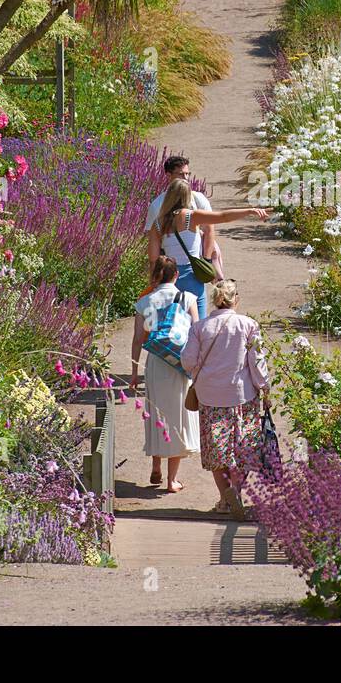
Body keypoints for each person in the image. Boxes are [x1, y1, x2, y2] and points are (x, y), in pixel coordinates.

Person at [180, 280, 271, 519]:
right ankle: (236, 494)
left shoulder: (200, 327)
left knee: (218, 451)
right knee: (244, 448)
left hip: (210, 396)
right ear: (236, 299)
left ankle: (224, 497)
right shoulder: (249, 325)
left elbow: (188, 361)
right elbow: (257, 362)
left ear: (214, 300)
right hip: (243, 395)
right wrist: (265, 388)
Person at [130, 255, 201, 493]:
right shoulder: (188, 298)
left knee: (156, 414)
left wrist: (133, 371)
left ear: (155, 276)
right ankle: (172, 480)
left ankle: (156, 465)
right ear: (176, 275)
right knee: (177, 417)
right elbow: (196, 334)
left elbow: (138, 339)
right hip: (180, 363)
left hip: (156, 363)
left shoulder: (144, 302)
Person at [148, 180, 268, 318]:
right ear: (188, 196)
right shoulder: (191, 216)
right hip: (191, 275)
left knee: (172, 320)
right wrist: (250, 211)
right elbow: (223, 216)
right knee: (198, 322)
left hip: (168, 276)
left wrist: (154, 283)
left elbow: (153, 259)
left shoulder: (157, 224)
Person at [146, 155, 223, 279]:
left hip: (199, 250)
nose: (186, 178)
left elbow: (209, 230)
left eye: (188, 174)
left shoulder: (198, 198)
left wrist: (206, 260)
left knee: (215, 251)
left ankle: (223, 290)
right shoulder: (157, 205)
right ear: (168, 175)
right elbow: (153, 239)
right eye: (181, 174)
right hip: (172, 256)